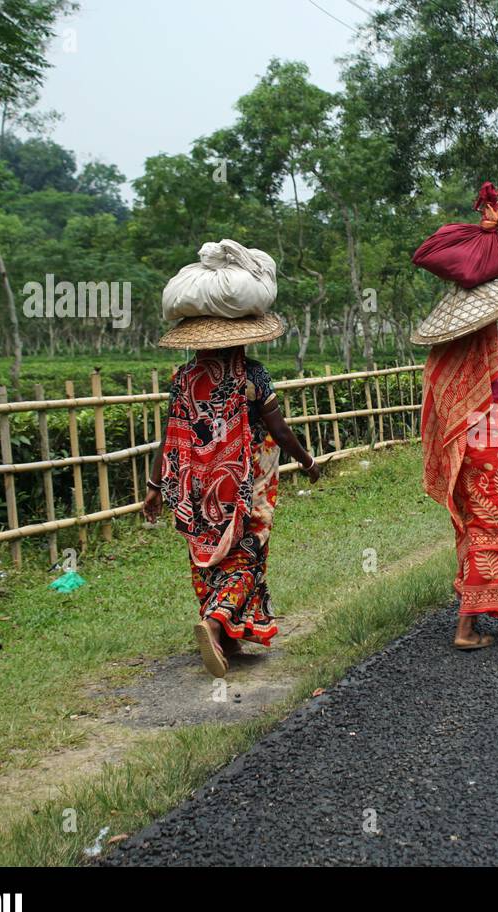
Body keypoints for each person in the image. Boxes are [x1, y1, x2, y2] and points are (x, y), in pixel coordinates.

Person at [142, 243, 321, 678]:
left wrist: (153, 487)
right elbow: (278, 430)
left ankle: (227, 637)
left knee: (207, 555)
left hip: (196, 486)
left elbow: (171, 436)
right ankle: (217, 620)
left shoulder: (182, 378)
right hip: (246, 482)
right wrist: (308, 462)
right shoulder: (252, 375)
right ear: (244, 335)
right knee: (247, 552)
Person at [412, 187, 498, 651]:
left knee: (471, 524)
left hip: (461, 456)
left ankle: (469, 595)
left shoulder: (443, 359)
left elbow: (439, 413)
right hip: (496, 451)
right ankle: (466, 626)